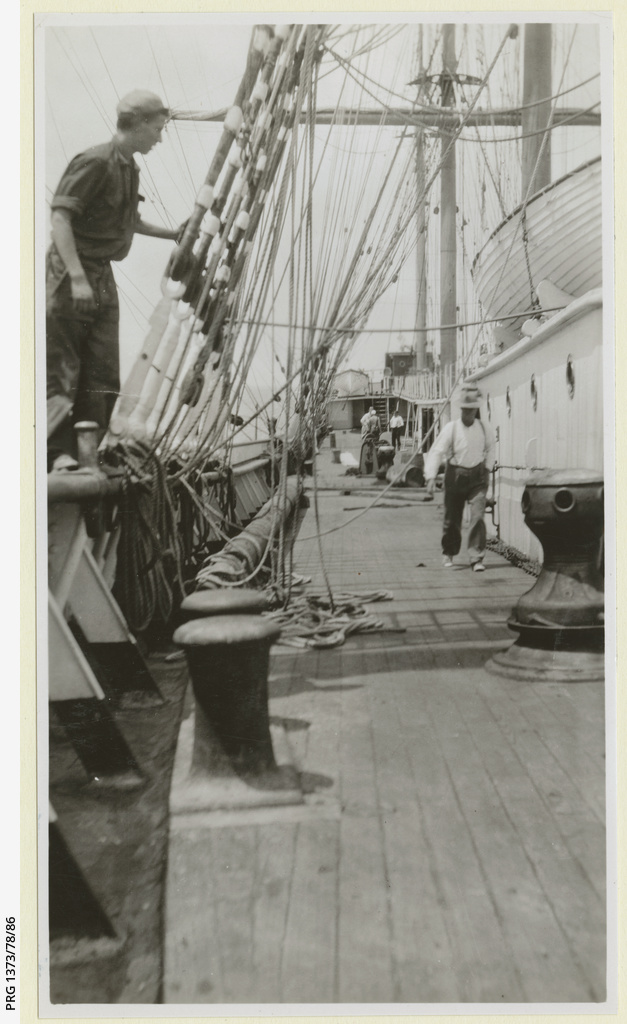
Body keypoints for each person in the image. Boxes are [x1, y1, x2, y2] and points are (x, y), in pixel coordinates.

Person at [46, 90, 183, 470]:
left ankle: (88, 451)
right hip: (73, 272)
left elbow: (130, 221)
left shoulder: (128, 168)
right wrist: (76, 278)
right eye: (156, 130)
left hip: (101, 274)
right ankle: (55, 454)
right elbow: (60, 219)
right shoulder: (94, 162)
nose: (159, 137)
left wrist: (173, 234)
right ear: (136, 125)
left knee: (103, 368)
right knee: (63, 365)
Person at [424, 384, 495, 572]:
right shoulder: (451, 428)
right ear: (461, 409)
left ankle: (476, 558)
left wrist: (487, 469)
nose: (468, 414)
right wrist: (430, 477)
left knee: (478, 517)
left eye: (471, 410)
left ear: (476, 410)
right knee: (452, 519)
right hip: (455, 476)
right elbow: (437, 451)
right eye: (465, 410)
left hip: (478, 479)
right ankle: (449, 552)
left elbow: (491, 448)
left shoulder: (484, 428)